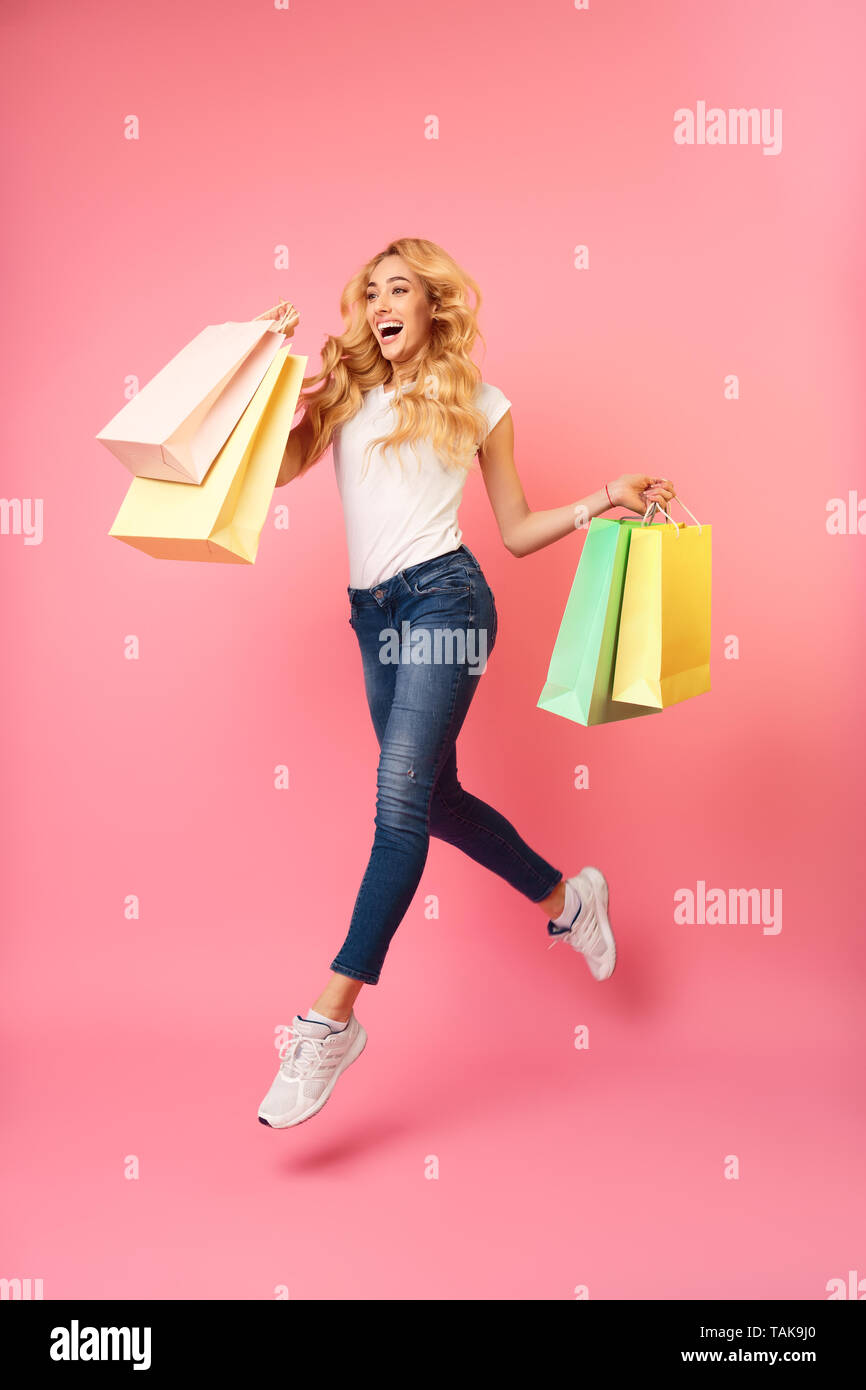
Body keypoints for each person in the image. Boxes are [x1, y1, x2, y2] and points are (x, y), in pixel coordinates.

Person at [255, 237, 675, 1130]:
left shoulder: (481, 403)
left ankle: (331, 1019)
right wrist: (277, 398)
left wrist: (605, 493)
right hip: (374, 614)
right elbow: (282, 473)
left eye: (397, 290)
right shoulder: (347, 389)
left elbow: (516, 530)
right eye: (370, 293)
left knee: (398, 807)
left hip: (449, 604)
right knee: (435, 801)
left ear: (434, 304)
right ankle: (571, 899)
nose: (379, 308)